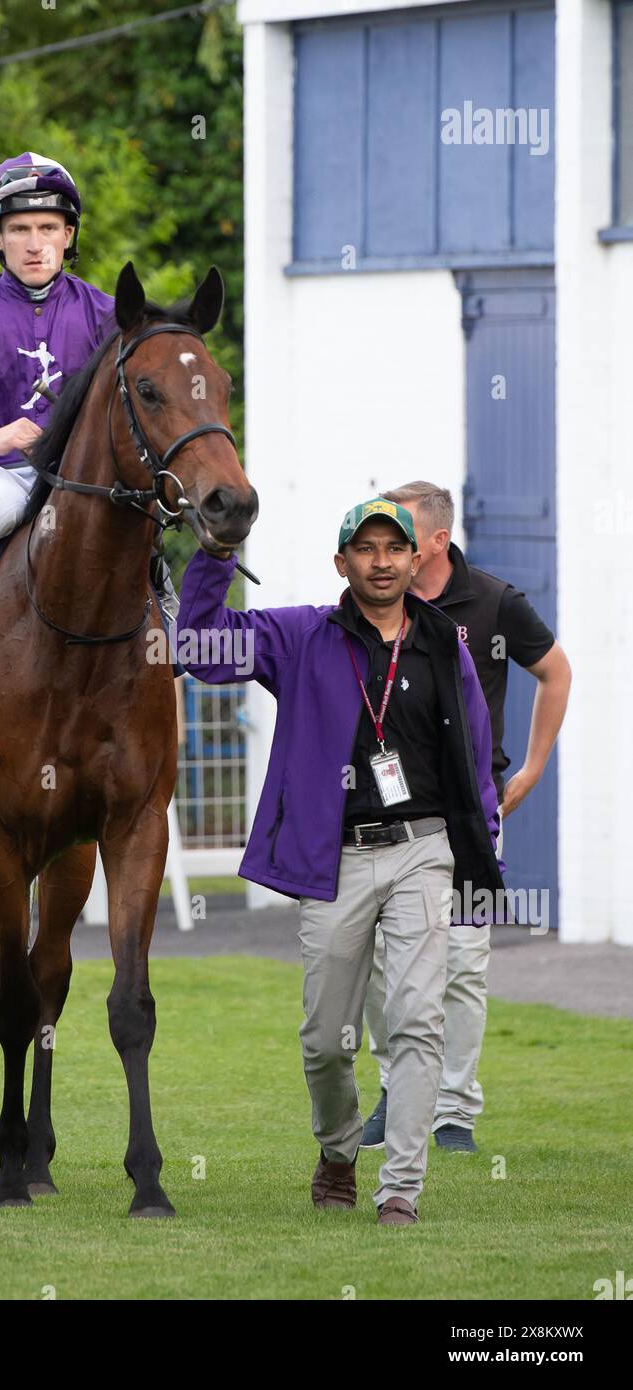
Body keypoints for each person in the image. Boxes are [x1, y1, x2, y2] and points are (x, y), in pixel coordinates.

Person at [177, 496, 503, 1225]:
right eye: (367, 548)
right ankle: (337, 1150)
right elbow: (196, 644)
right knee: (328, 1039)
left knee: (418, 1019)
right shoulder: (302, 636)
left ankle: (401, 1189)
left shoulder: (445, 643)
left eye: (395, 548)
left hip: (424, 852)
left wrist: (476, 857)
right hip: (336, 861)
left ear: (417, 560)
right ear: (342, 562)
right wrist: (218, 552)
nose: (382, 561)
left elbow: (476, 759)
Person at [0, 152, 177, 657]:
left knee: (144, 504)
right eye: (19, 228)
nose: (34, 243)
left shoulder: (108, 316)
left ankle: (168, 612)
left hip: (89, 477)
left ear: (68, 236)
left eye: (48, 227)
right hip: (4, 475)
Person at [361, 481, 571, 1154]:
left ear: (438, 541)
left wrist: (533, 768)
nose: (385, 548)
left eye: (401, 534)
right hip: (382, 809)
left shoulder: (495, 602)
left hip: (471, 814)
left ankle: (452, 1112)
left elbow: (557, 672)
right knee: (375, 961)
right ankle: (395, 1089)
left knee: (461, 961)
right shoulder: (374, 598)